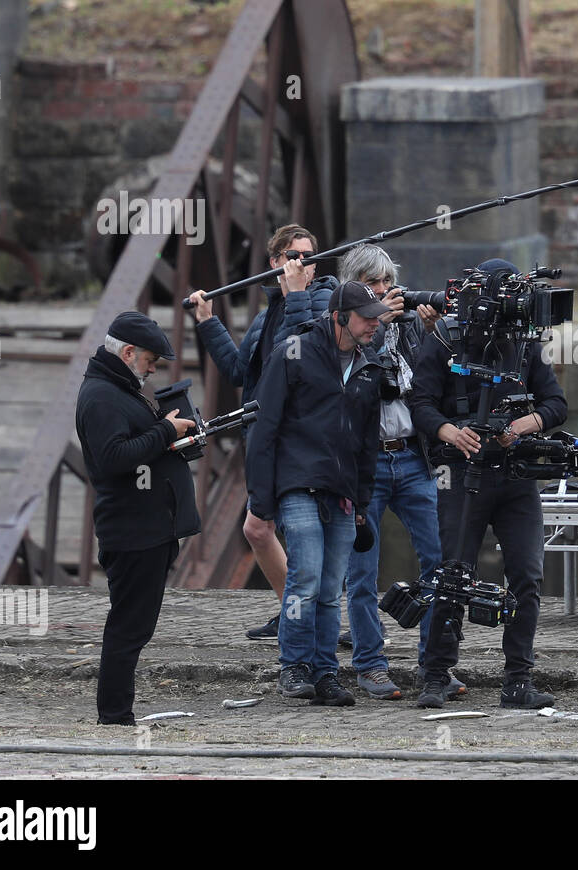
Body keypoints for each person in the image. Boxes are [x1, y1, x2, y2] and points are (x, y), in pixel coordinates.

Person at [409, 258, 568, 710]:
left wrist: (523, 424)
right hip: (461, 474)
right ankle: (436, 675)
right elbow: (420, 403)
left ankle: (518, 679)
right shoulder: (442, 339)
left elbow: (557, 404)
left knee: (526, 576)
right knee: (452, 574)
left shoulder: (524, 346)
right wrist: (449, 432)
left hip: (515, 475)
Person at [186, 223, 338, 640]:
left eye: (309, 257)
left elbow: (301, 355)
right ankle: (292, 609)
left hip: (302, 440)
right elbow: (240, 371)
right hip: (265, 440)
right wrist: (208, 323)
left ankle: (318, 620)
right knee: (259, 529)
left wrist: (298, 297)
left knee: (304, 531)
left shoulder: (325, 301)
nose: (303, 265)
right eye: (294, 257)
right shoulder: (267, 313)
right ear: (275, 263)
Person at [245, 281, 389, 706]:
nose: (375, 325)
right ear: (340, 315)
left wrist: (362, 502)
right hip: (297, 484)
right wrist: (261, 500)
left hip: (342, 494)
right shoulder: (294, 352)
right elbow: (263, 427)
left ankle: (326, 672)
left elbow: (368, 444)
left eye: (377, 317)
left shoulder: (369, 367)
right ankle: (294, 667)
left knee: (329, 590)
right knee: (305, 580)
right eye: (367, 317)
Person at [335, 244, 466, 700]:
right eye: (373, 285)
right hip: (366, 464)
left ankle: (435, 665)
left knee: (441, 562)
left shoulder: (411, 326)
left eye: (389, 284)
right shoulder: (344, 333)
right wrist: (378, 323)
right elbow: (341, 387)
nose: (385, 293)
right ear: (352, 288)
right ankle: (370, 665)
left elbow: (434, 385)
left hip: (413, 458)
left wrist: (433, 333)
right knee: (361, 571)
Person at [75, 311, 199, 725]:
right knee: (128, 628)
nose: (152, 369)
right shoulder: (102, 396)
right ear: (128, 352)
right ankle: (114, 715)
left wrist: (170, 437)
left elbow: (134, 449)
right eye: (150, 361)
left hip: (148, 528)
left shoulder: (117, 388)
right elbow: (114, 459)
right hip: (132, 532)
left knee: (133, 626)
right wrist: (164, 431)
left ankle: (116, 711)